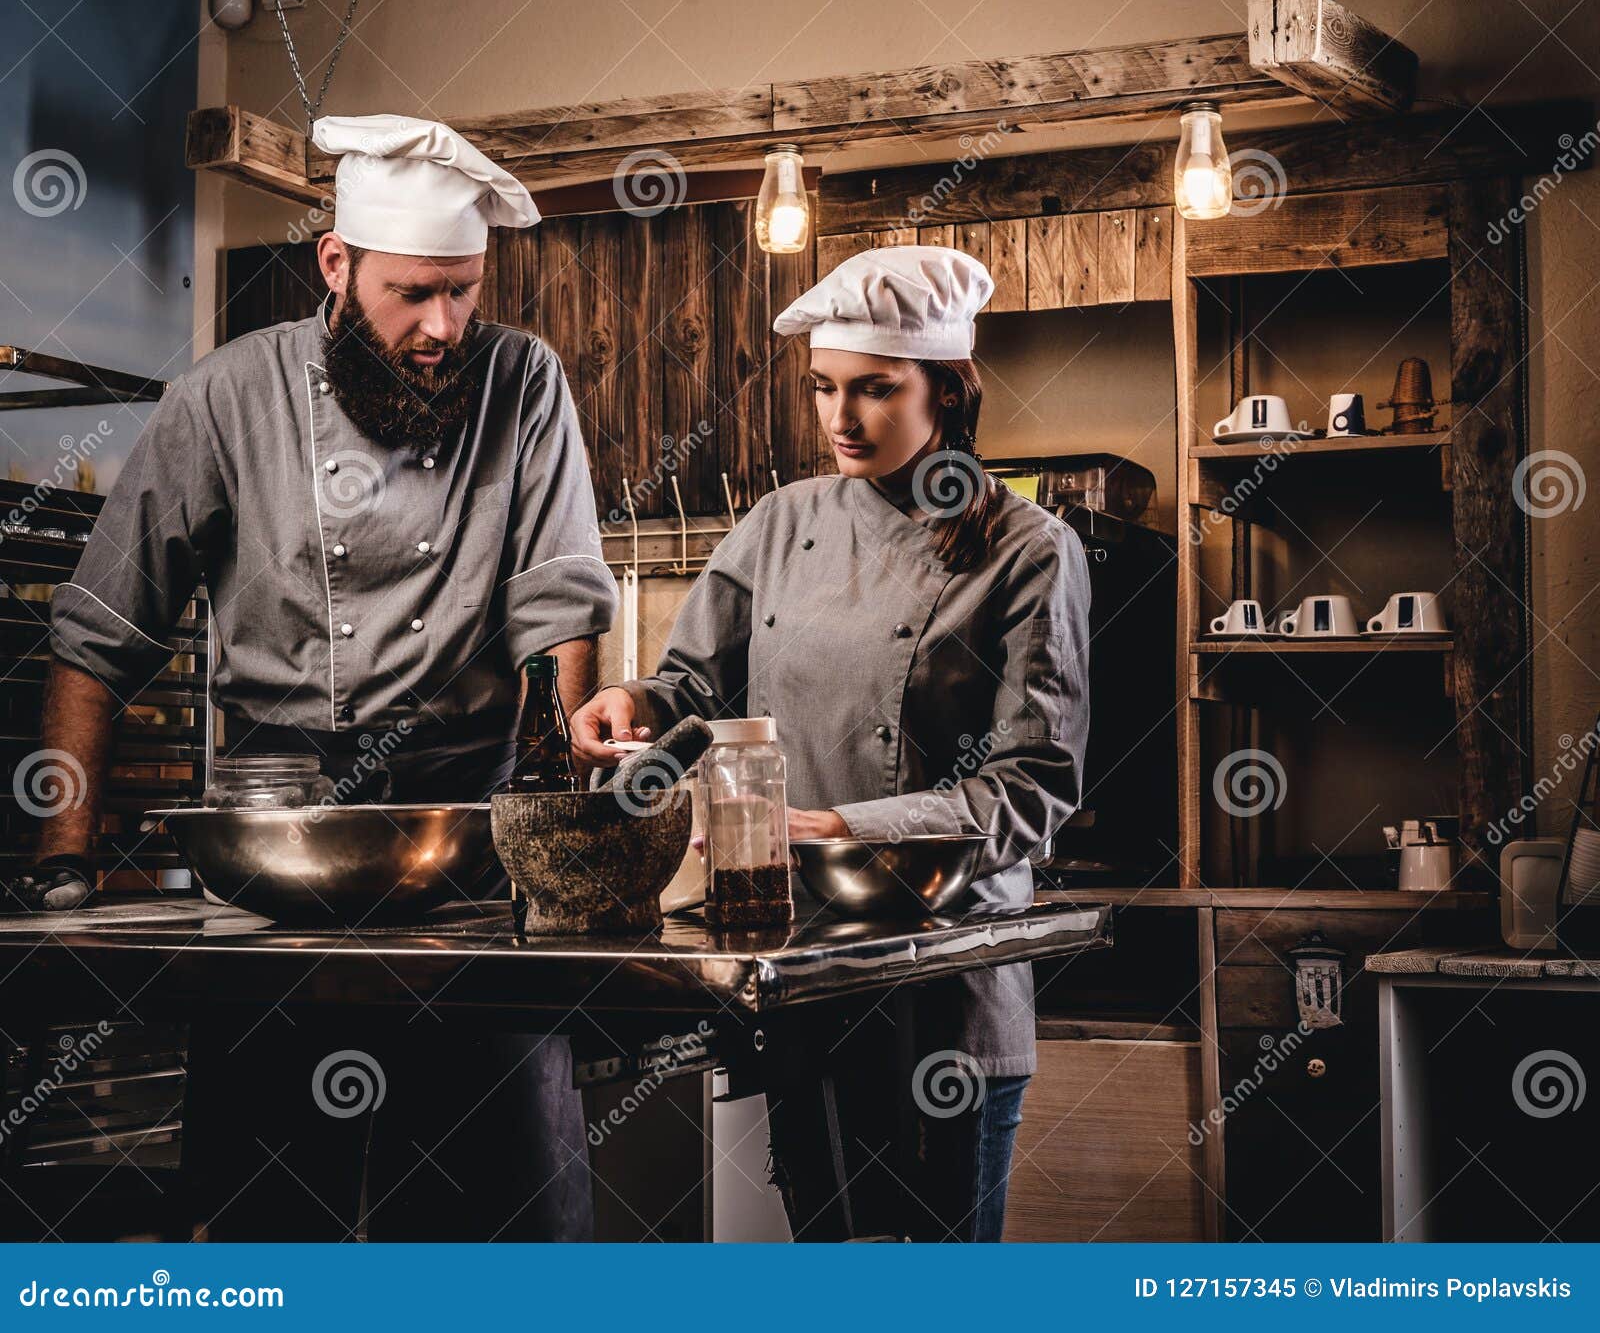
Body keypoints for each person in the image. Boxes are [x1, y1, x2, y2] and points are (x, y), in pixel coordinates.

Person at [9, 115, 615, 1240]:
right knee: (274, 1222)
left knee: (511, 1227)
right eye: (412, 294)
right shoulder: (223, 399)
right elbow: (99, 629)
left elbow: (558, 614)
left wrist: (569, 797)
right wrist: (64, 862)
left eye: (463, 292)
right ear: (335, 265)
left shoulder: (522, 381)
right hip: (271, 864)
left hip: (468, 865)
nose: (443, 326)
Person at [570, 246, 1091, 1241]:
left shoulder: (1027, 548)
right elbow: (691, 693)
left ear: (947, 388)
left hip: (943, 978)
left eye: (872, 390)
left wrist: (837, 824)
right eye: (821, 388)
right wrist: (626, 702)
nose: (839, 419)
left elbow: (1032, 785)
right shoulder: (777, 524)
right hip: (799, 967)